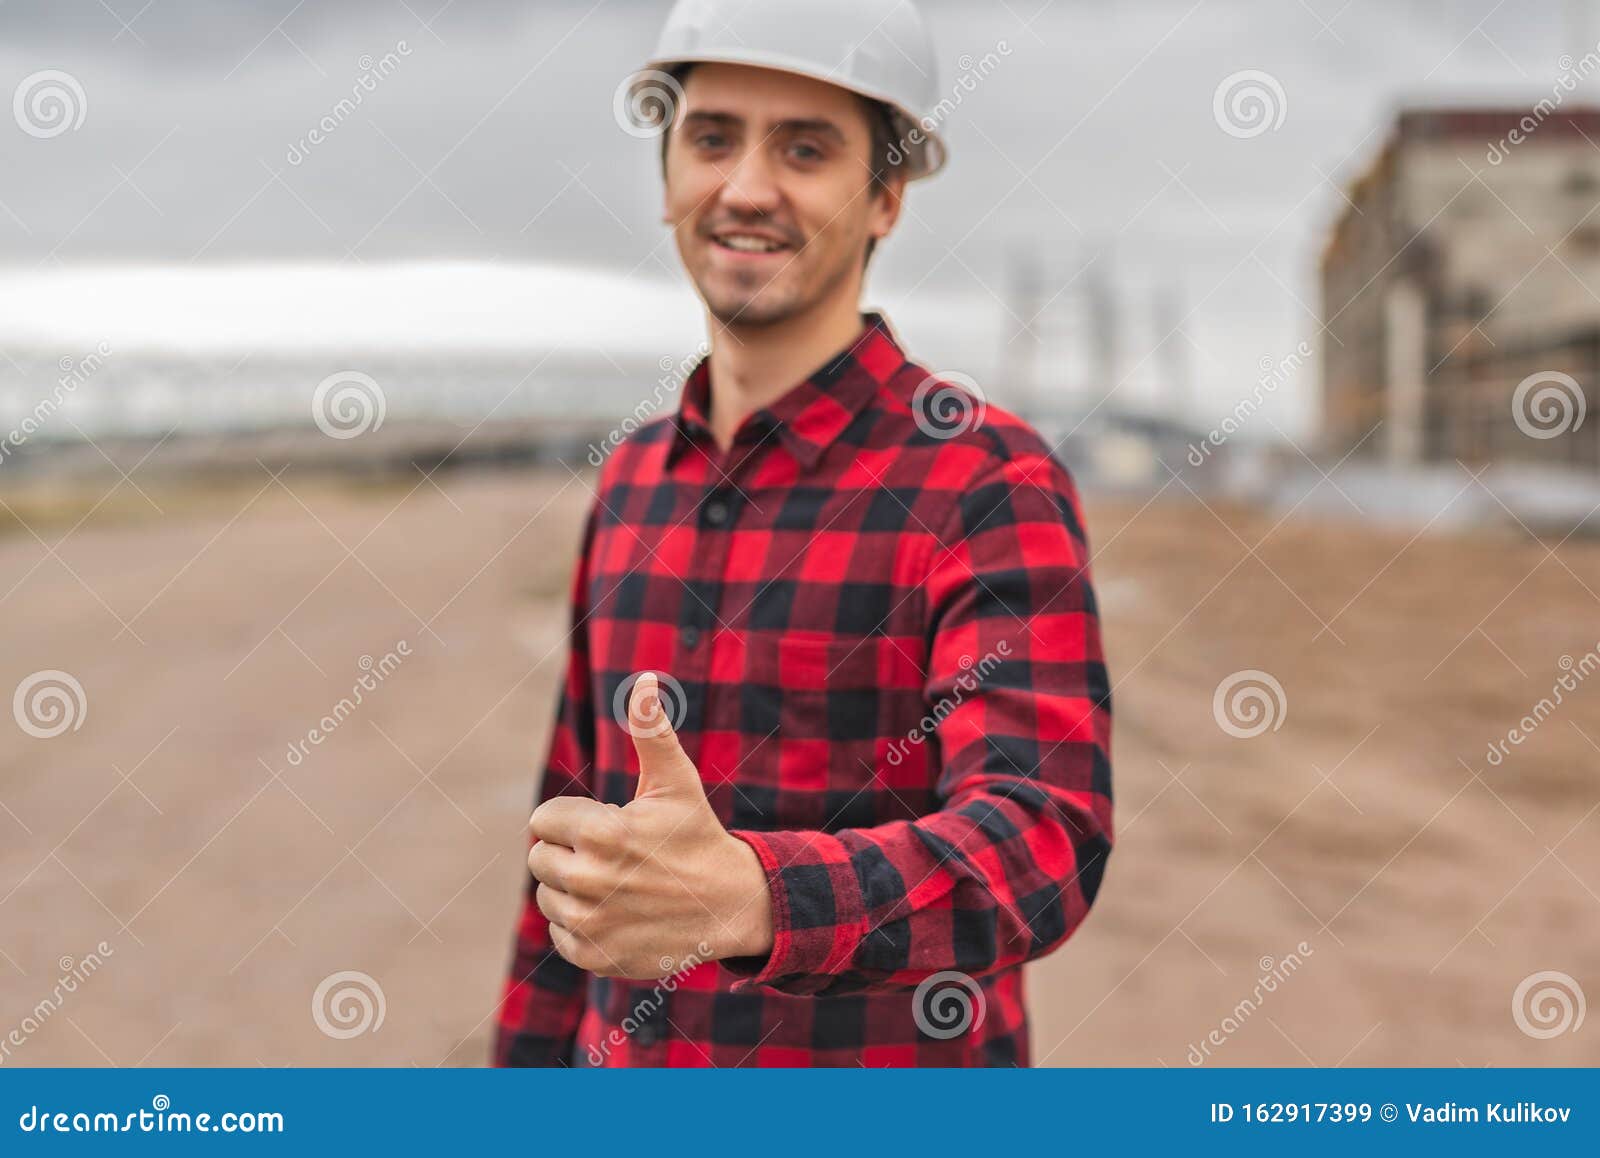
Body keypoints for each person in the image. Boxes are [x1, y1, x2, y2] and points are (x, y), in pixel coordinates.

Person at [494, 0, 1113, 1067]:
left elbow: (1042, 839)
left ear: (886, 198)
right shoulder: (632, 481)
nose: (745, 188)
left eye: (805, 149)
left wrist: (753, 898)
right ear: (667, 175)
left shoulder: (984, 480)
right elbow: (570, 850)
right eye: (712, 138)